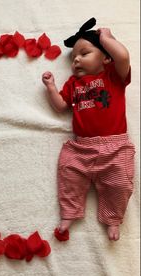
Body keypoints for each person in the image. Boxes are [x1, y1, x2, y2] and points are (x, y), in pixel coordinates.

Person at [41, 18, 135, 241]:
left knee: (120, 183)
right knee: (68, 173)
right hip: (81, 147)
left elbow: (123, 57)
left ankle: (113, 217)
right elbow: (61, 106)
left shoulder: (113, 75)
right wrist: (52, 88)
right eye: (74, 58)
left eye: (84, 53)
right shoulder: (73, 84)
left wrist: (106, 38)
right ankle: (69, 212)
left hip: (116, 147)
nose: (77, 60)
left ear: (105, 57)